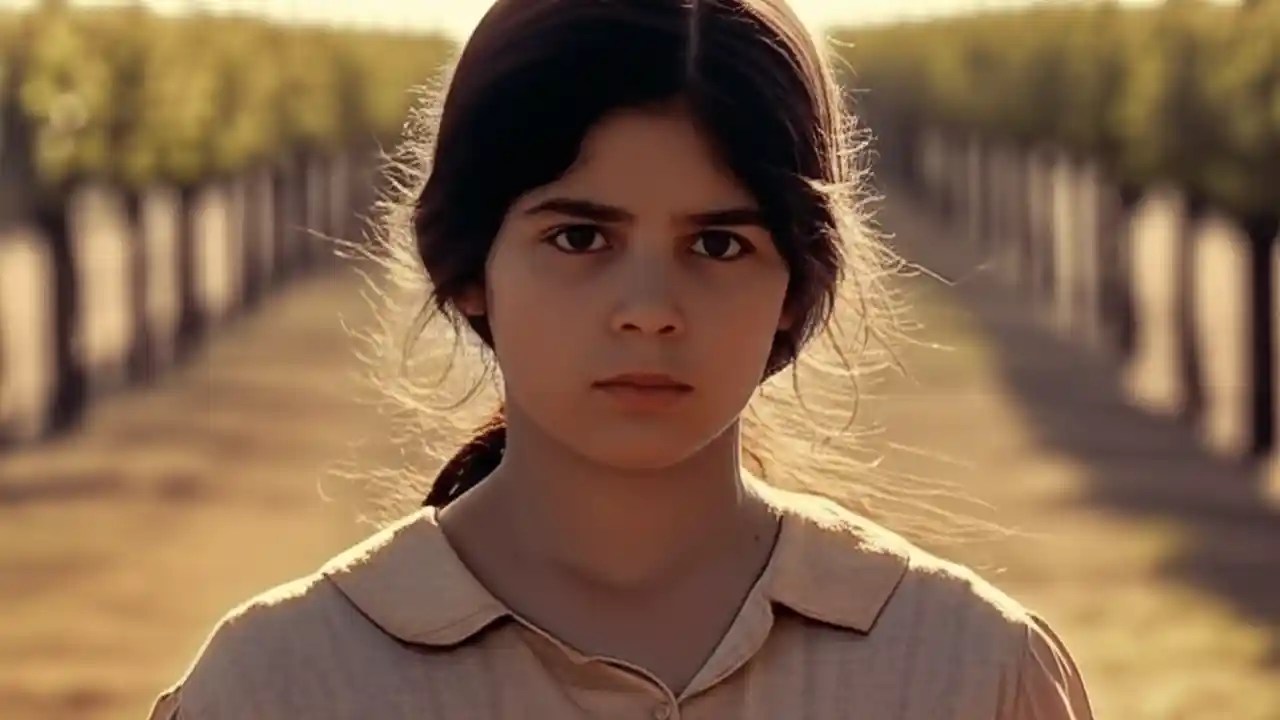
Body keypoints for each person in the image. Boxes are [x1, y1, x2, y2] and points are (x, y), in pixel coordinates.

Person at [147, 0, 1094, 717]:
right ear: (468, 267)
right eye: (579, 240)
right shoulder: (279, 686)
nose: (649, 312)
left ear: (796, 289)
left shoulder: (968, 672)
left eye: (718, 245)